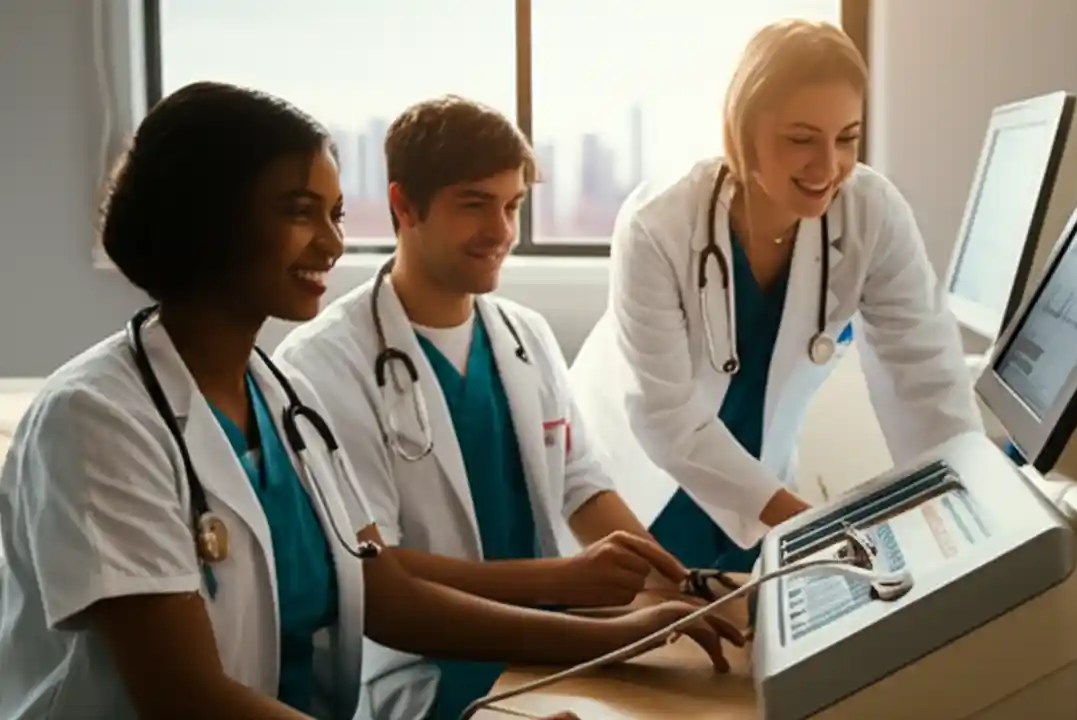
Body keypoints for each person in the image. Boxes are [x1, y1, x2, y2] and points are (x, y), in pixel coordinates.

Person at [0, 82, 741, 720]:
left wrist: (622, 634)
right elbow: (184, 696)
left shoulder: (278, 397)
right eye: (298, 211)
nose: (330, 243)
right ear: (210, 217)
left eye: (333, 214)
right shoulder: (98, 420)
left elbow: (382, 589)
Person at [276, 95, 703, 720]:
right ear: (403, 205)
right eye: (474, 204)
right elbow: (380, 569)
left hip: (548, 644)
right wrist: (562, 579)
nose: (502, 230)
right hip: (422, 671)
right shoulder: (324, 363)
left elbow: (582, 488)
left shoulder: (524, 335)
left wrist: (684, 584)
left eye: (513, 205)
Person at [569, 19, 983, 572]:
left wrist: (970, 507)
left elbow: (927, 379)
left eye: (847, 138)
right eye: (800, 139)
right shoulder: (657, 224)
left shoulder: (872, 215)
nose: (829, 165)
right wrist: (814, 525)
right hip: (640, 484)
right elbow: (666, 418)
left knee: (755, 638)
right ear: (743, 132)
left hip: (757, 487)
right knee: (656, 634)